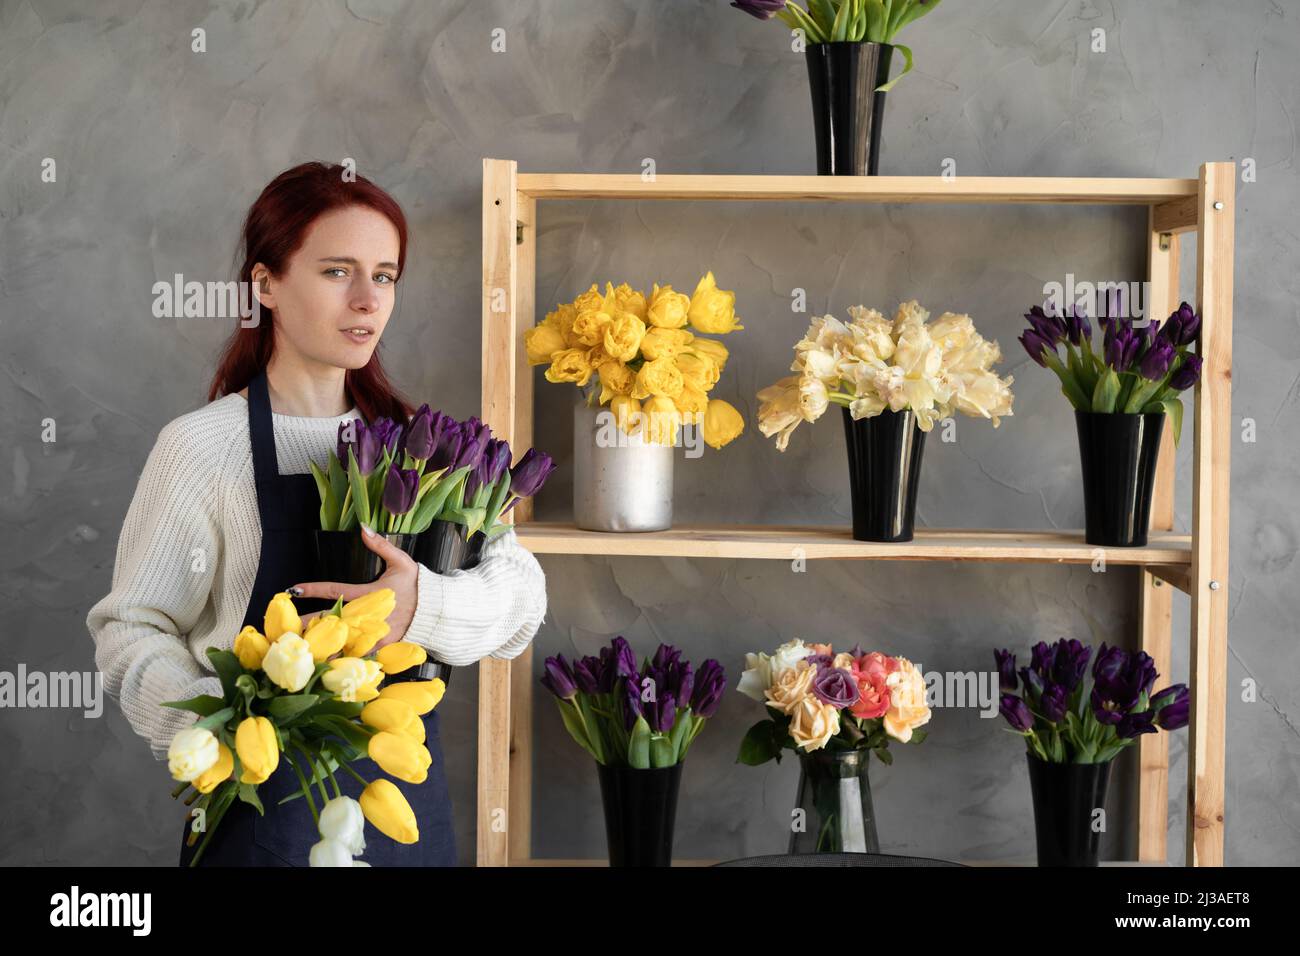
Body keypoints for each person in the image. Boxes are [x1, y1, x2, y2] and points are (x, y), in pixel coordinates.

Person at [85, 162, 548, 866]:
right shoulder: (202, 448)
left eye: (385, 275)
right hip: (257, 817)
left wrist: (421, 604)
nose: (367, 300)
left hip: (400, 808)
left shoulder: (426, 446)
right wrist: (216, 726)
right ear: (265, 284)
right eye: (338, 272)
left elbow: (521, 603)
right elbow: (131, 627)